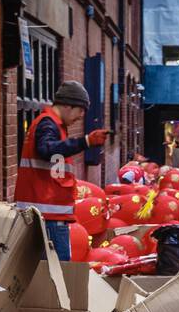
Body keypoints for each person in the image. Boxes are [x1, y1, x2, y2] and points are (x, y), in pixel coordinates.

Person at [14, 81, 108, 261]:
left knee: (50, 269)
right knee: (59, 269)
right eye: (80, 110)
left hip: (47, 214)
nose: (81, 116)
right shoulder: (47, 125)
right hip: (47, 215)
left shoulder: (54, 126)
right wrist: (85, 142)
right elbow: (47, 149)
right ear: (67, 105)